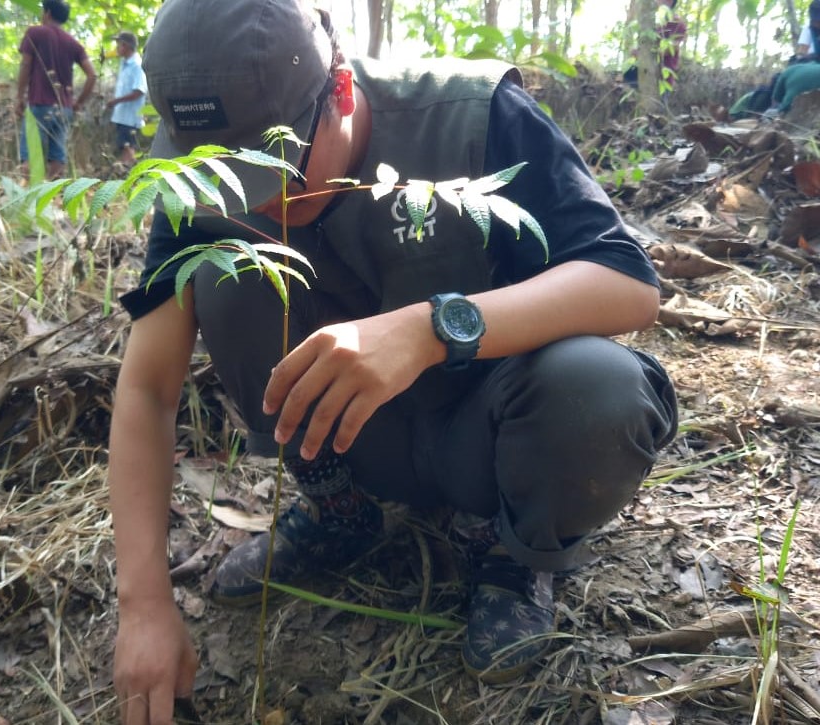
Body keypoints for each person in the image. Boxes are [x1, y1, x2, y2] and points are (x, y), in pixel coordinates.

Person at [109, 0, 678, 722]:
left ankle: (512, 554)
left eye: (274, 170)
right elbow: (149, 388)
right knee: (225, 277)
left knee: (602, 390)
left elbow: (626, 283)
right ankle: (341, 510)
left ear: (341, 91)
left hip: (491, 427)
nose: (259, 204)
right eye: (226, 178)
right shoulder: (201, 180)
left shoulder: (473, 113)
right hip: (353, 439)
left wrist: (430, 328)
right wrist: (146, 604)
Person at [15, 0, 97, 180]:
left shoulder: (34, 33)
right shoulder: (73, 43)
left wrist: (19, 97)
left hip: (39, 104)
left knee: (30, 154)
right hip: (64, 108)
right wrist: (77, 103)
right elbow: (92, 75)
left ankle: (28, 198)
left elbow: (26, 64)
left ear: (47, 13)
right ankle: (55, 199)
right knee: (58, 156)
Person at [622, 0, 688, 91]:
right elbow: (641, 49)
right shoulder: (653, 26)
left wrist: (646, 55)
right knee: (628, 74)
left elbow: (671, 48)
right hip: (644, 74)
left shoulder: (677, 24)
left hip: (663, 79)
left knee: (659, 103)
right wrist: (636, 52)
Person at [105, 31, 147, 169]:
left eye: (119, 44)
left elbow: (138, 92)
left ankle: (131, 172)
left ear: (126, 46)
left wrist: (116, 101)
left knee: (128, 146)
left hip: (130, 117)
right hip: (122, 116)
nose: (117, 47)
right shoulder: (124, 64)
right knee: (124, 145)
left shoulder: (137, 66)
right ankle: (125, 173)